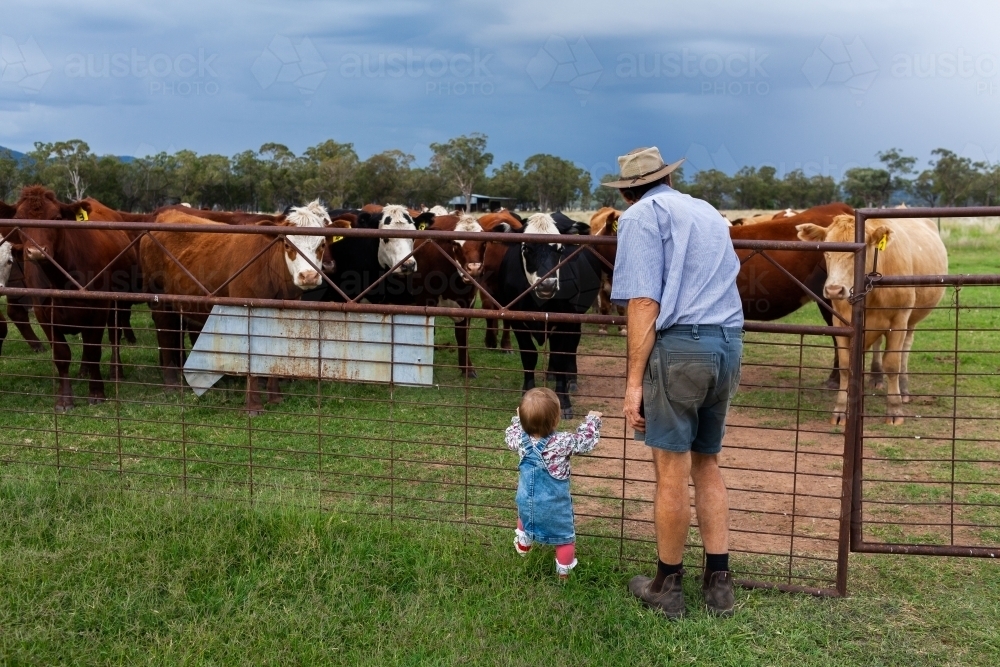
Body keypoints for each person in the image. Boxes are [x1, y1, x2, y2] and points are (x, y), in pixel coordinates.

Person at [604, 147, 744, 619]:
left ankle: (667, 584)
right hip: (728, 342)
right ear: (665, 177)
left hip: (681, 347)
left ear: (626, 192)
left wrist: (632, 383)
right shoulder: (704, 210)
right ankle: (719, 582)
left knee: (670, 469)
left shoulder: (642, 216)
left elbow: (643, 302)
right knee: (708, 463)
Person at [505, 387, 602, 580]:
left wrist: (517, 421)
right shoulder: (562, 442)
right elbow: (585, 441)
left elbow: (510, 434)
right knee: (565, 539)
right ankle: (564, 576)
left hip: (525, 501)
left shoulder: (520, 440)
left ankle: (524, 544)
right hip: (554, 507)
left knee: (525, 517)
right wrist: (593, 420)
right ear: (556, 420)